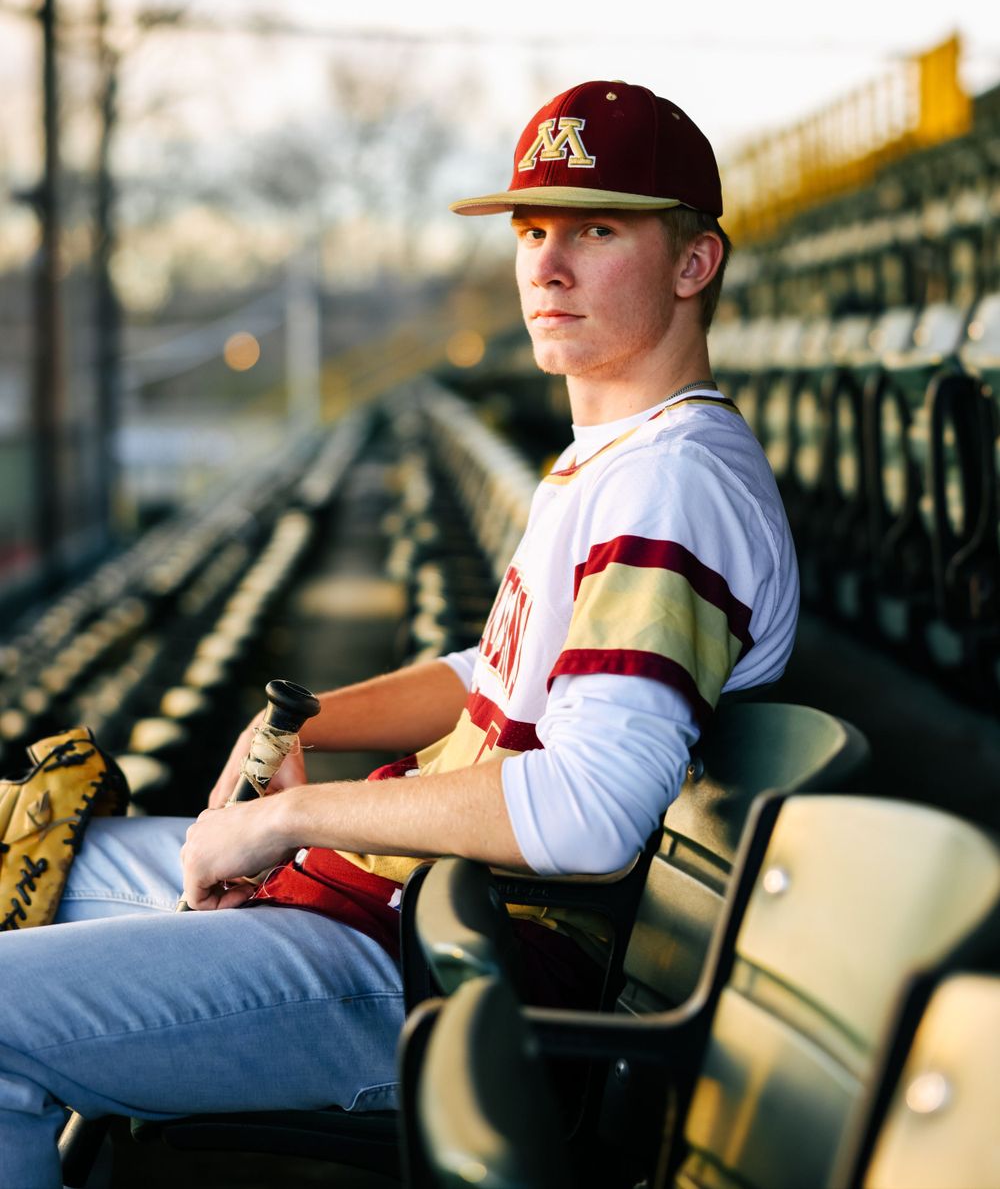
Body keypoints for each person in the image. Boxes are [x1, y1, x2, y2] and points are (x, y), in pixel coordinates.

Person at [0, 80, 797, 1189]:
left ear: (692, 262)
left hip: (450, 972)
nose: (546, 265)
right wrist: (308, 720)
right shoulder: (619, 457)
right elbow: (503, 673)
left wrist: (295, 812)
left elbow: (586, 811)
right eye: (531, 229)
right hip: (401, 910)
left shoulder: (673, 485)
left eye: (597, 229)